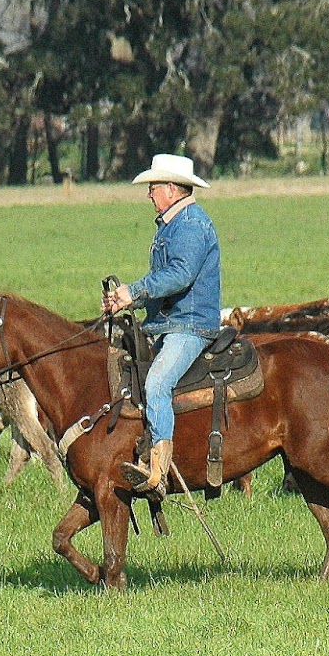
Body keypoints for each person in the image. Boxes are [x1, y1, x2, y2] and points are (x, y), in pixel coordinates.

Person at [100, 153, 222, 491]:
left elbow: (180, 275)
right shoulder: (173, 224)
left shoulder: (191, 224)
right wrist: (126, 299)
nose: (149, 194)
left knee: (155, 384)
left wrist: (134, 291)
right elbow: (165, 282)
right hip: (170, 325)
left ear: (171, 188)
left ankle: (158, 471)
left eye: (153, 187)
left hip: (190, 326)